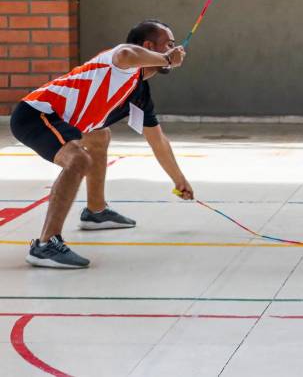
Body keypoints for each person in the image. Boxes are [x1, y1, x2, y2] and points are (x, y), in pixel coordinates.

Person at [9, 20, 194, 269]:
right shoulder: (121, 63)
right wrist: (168, 59)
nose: (174, 48)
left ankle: (96, 212)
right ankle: (45, 244)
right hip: (37, 114)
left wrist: (179, 180)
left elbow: (158, 141)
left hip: (61, 120)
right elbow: (127, 52)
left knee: (100, 135)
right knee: (79, 160)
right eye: (169, 44)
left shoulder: (139, 91)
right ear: (149, 46)